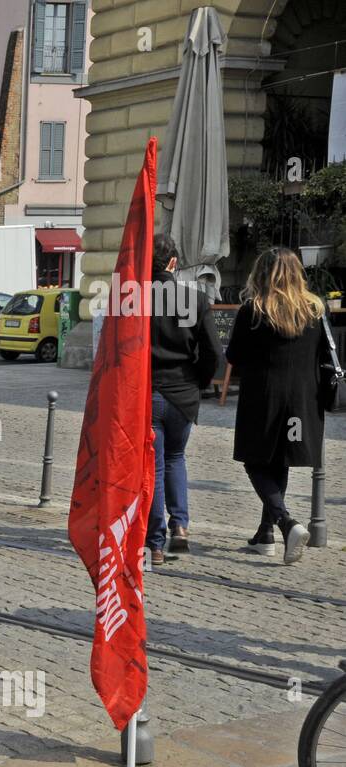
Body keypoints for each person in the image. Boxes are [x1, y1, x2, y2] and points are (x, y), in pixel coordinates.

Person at [226, 247, 330, 565]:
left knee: (256, 462)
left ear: (261, 275)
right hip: (302, 400)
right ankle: (265, 535)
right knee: (279, 461)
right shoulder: (314, 310)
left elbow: (234, 357)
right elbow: (324, 356)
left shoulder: (254, 310)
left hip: (264, 398)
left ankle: (285, 523)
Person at [145, 235, 222, 567]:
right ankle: (181, 528)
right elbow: (215, 353)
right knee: (175, 459)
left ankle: (156, 545)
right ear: (173, 262)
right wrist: (199, 383)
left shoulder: (133, 299)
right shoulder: (196, 300)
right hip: (183, 394)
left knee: (155, 467)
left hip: (147, 393)